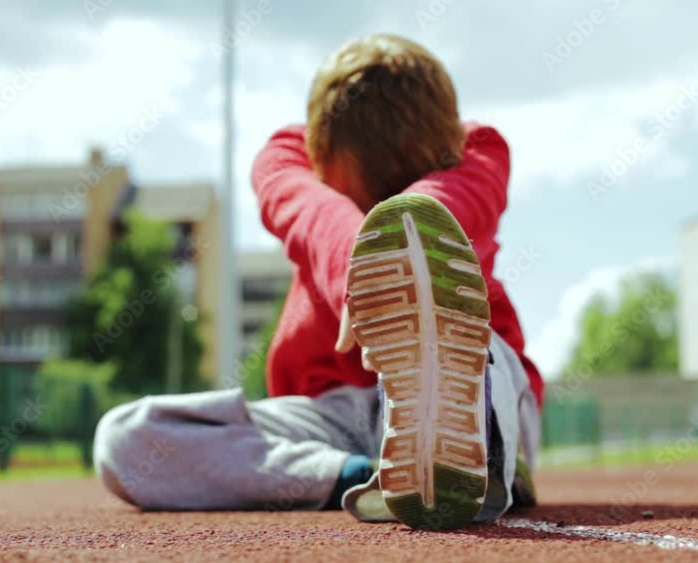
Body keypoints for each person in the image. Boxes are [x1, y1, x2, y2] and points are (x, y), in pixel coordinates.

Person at [94, 34, 543, 531]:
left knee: (479, 358)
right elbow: (310, 212)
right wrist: (359, 273)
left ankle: (478, 444)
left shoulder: (476, 149)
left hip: (477, 377)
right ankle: (362, 476)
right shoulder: (289, 154)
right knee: (127, 438)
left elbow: (446, 202)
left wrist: (397, 253)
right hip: (334, 419)